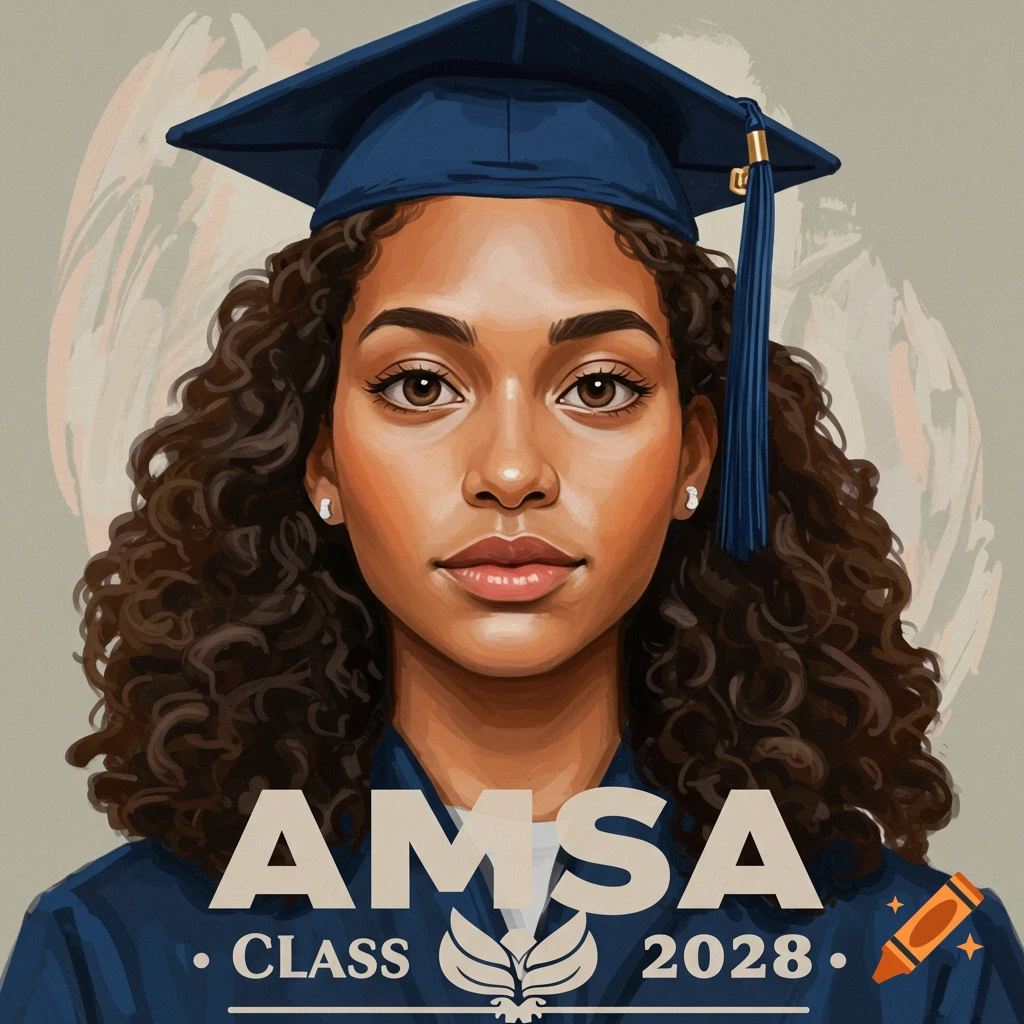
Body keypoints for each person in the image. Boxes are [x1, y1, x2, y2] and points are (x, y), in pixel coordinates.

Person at [2, 1, 1022, 1021]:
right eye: (417, 383)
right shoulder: (122, 959)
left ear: (696, 456)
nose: (509, 468)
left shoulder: (901, 964)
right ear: (317, 458)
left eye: (597, 386)